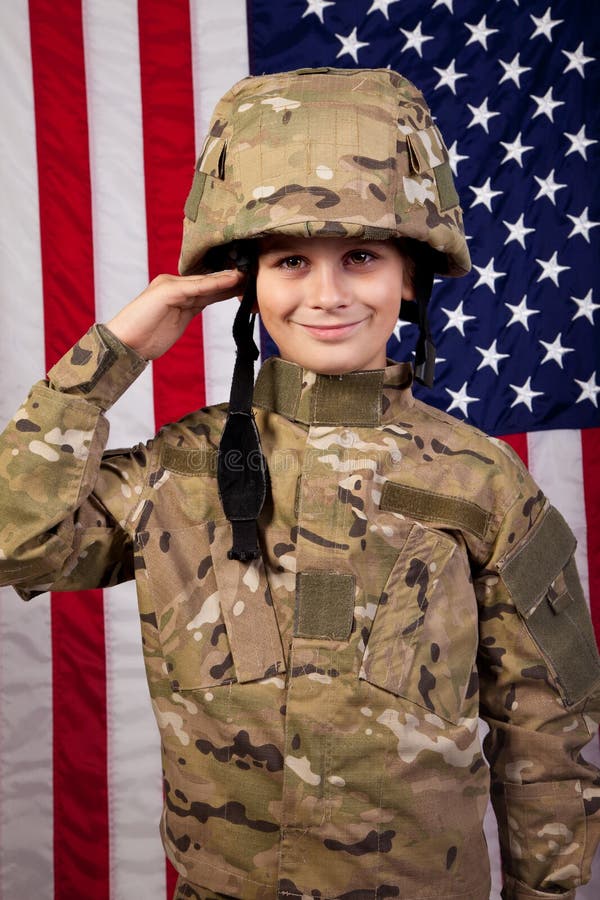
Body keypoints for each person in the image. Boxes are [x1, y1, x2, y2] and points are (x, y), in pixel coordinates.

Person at [1, 66, 599, 900]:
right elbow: (16, 542)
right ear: (247, 285)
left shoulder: (485, 484)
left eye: (360, 257)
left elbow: (548, 727)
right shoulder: (177, 469)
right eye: (290, 260)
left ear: (409, 282)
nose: (326, 294)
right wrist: (115, 351)